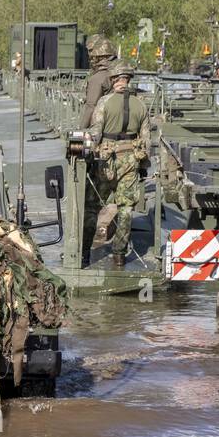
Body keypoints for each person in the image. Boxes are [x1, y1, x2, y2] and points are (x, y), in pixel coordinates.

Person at [85, 65, 150, 269]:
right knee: (126, 208)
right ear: (128, 80)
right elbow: (146, 140)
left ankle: (84, 253)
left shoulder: (104, 102)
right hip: (131, 160)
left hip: (106, 161)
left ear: (113, 80)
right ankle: (119, 254)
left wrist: (89, 155)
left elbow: (96, 132)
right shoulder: (141, 104)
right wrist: (144, 165)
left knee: (91, 207)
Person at [79, 35, 116, 128]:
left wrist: (81, 129)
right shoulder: (118, 72)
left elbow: (91, 107)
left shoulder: (98, 78)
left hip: (104, 127)